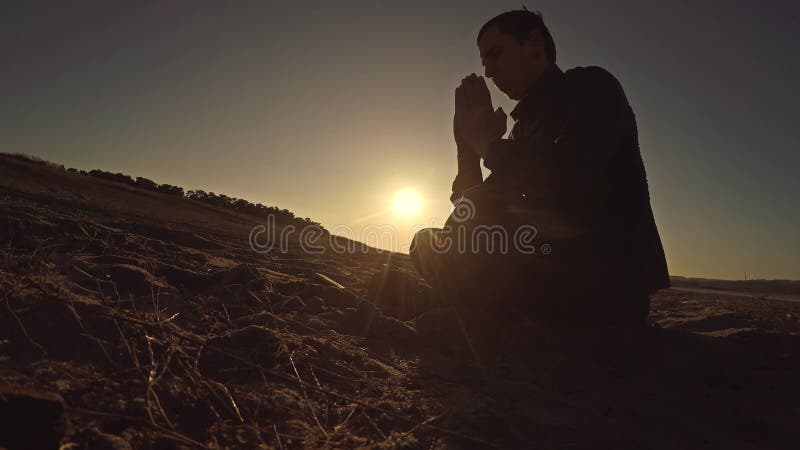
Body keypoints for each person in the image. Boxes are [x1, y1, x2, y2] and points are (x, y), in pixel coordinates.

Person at [409, 9, 670, 327]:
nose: (489, 72)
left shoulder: (591, 86)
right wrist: (467, 150)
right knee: (425, 241)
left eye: (495, 54)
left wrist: (490, 146)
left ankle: (459, 296)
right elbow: (472, 215)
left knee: (468, 228)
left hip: (606, 280)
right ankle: (462, 294)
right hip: (544, 265)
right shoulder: (521, 130)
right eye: (484, 63)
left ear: (533, 44)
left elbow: (571, 179)